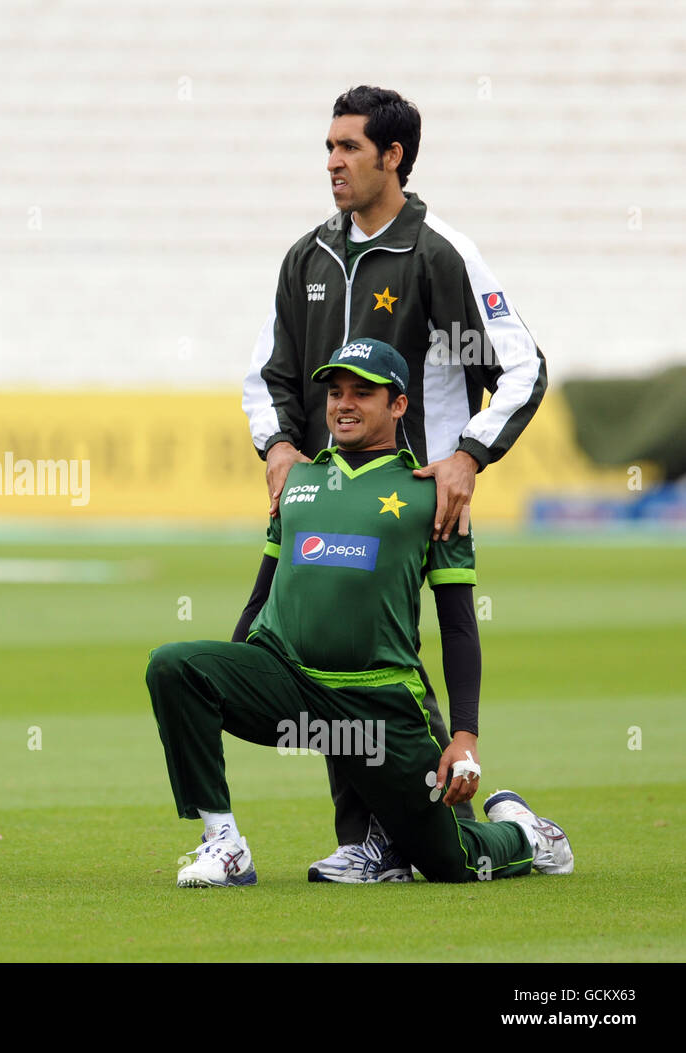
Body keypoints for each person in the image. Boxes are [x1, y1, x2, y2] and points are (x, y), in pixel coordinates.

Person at [238, 85, 548, 881]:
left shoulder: (440, 252)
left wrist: (467, 454)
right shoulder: (307, 255)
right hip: (324, 499)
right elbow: (266, 374)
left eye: (349, 148)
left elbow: (521, 364)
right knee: (324, 650)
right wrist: (277, 444)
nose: (333, 163)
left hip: (417, 503)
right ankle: (382, 834)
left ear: (393, 156)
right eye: (328, 148)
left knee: (389, 664)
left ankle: (439, 830)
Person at [148, 339, 572, 887]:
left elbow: (459, 624)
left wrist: (464, 735)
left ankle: (528, 833)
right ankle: (225, 846)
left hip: (378, 706)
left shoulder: (435, 495)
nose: (343, 404)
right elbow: (262, 595)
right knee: (175, 665)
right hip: (292, 684)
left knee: (449, 863)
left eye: (362, 393)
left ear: (398, 405)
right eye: (335, 392)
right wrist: (236, 675)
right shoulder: (295, 481)